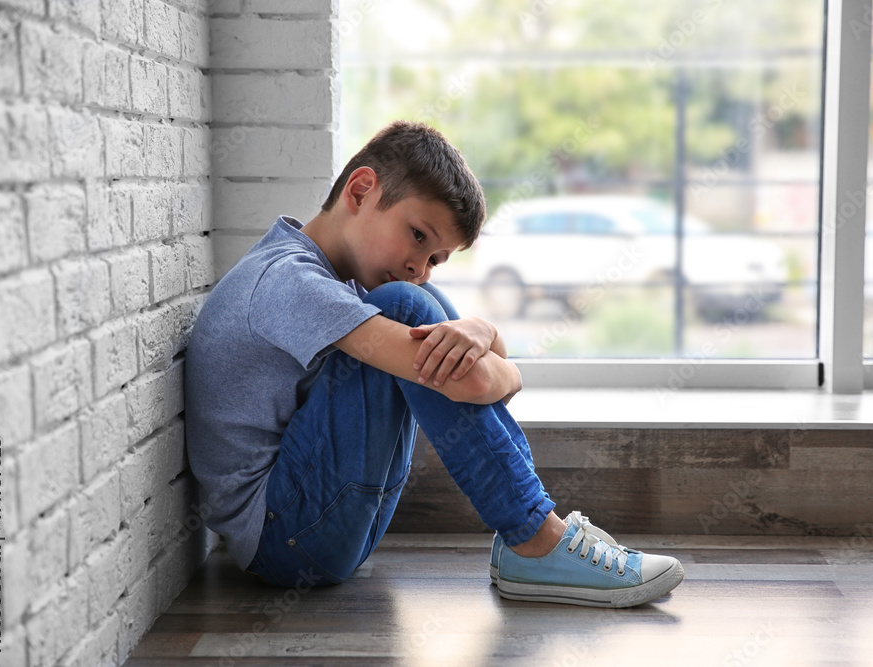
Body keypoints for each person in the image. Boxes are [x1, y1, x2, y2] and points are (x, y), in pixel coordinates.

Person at [184, 120, 684, 607]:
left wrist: (481, 331)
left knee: (422, 309)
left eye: (435, 258)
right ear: (360, 192)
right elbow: (480, 383)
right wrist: (491, 351)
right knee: (408, 306)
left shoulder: (345, 283)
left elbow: (493, 384)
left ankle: (531, 534)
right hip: (286, 543)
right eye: (418, 236)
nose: (419, 266)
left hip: (325, 525)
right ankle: (533, 538)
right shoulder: (287, 281)